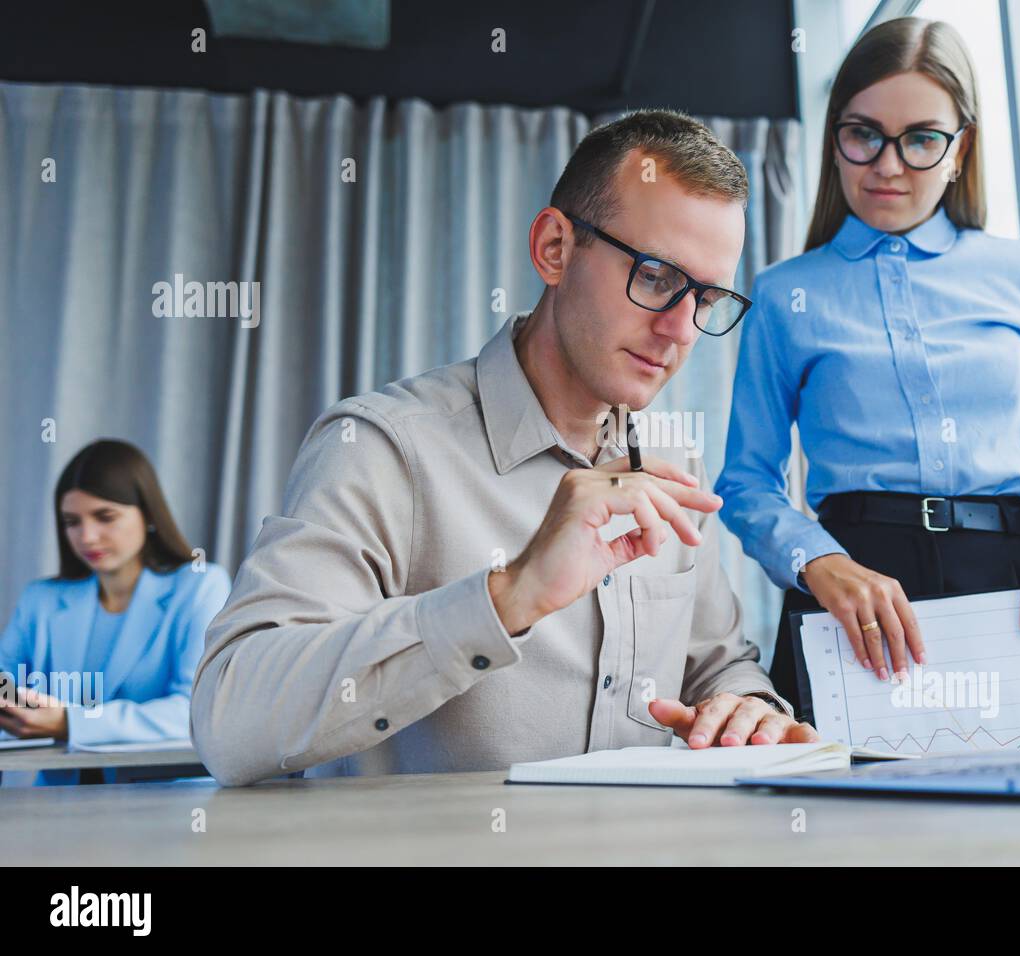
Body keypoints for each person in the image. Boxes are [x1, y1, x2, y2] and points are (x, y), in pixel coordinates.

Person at [191, 109, 818, 787]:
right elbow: (230, 720)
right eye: (658, 277)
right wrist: (507, 596)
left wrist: (747, 707)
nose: (678, 330)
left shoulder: (674, 466)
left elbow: (717, 663)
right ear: (554, 247)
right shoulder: (384, 449)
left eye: (707, 296)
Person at [714, 17, 1020, 714]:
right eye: (864, 134)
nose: (888, 166)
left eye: (922, 139)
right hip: (853, 594)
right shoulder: (784, 294)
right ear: (835, 139)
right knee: (845, 816)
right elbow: (746, 483)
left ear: (962, 150)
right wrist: (817, 562)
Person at [0, 440, 230, 785]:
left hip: (169, 806)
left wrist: (70, 722)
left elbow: (195, 712)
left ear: (148, 515)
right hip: (62, 807)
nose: (87, 537)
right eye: (71, 521)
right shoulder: (42, 599)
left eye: (105, 517)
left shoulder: (200, 586)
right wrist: (13, 704)